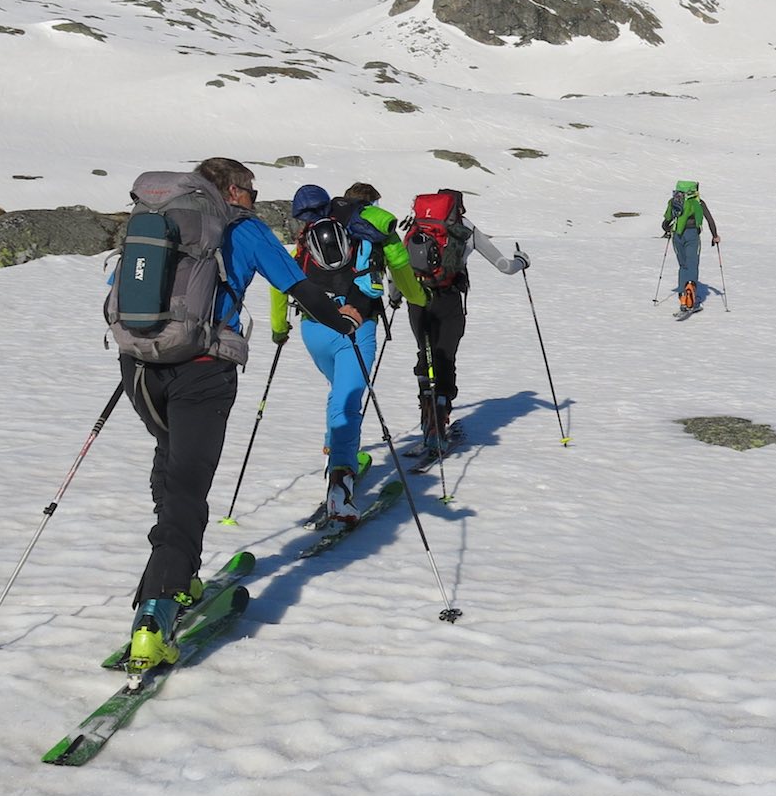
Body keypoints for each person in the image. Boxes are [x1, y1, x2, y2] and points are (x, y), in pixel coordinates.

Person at [115, 158, 361, 672]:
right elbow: (300, 288)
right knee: (187, 482)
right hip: (203, 370)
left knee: (171, 465)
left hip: (139, 365)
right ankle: (154, 615)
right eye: (250, 188)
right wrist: (343, 318)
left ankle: (178, 576)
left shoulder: (159, 222)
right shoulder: (242, 229)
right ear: (231, 190)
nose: (254, 196)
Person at [270, 182, 427, 524]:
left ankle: (335, 445)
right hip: (356, 327)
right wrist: (419, 299)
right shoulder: (376, 236)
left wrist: (279, 327)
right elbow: (402, 274)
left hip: (313, 328)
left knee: (338, 392)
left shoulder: (309, 237)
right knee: (348, 399)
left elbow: (280, 282)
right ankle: (340, 483)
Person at [394, 187, 529, 458]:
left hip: (417, 301)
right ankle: (439, 429)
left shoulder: (415, 224)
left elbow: (400, 265)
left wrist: (395, 296)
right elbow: (503, 265)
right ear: (458, 207)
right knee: (445, 359)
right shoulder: (465, 228)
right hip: (449, 300)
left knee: (426, 356)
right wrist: (521, 262)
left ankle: (427, 424)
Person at [661, 179, 719, 313]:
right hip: (692, 235)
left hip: (677, 236)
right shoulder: (698, 202)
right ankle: (690, 295)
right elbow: (710, 220)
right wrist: (715, 236)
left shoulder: (674, 201)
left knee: (683, 265)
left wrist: (668, 228)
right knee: (692, 264)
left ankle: (682, 296)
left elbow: (665, 223)